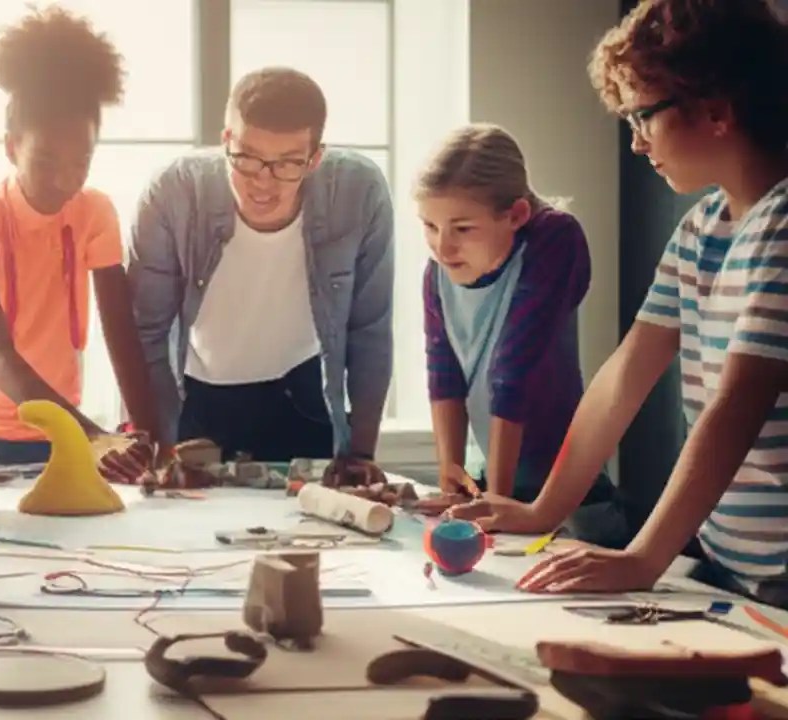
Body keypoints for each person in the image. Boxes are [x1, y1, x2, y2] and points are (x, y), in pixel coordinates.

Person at [450, 0, 788, 603]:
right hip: (733, 564)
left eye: (642, 117)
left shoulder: (782, 225)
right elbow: (624, 376)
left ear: (715, 109)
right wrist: (545, 509)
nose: (635, 143)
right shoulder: (701, 227)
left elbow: (737, 407)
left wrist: (643, 557)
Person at [128, 66, 393, 477]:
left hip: (303, 392)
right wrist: (156, 446)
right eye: (247, 158)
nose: (263, 183)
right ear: (225, 141)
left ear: (315, 158)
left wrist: (361, 454)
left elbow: (370, 329)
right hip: (197, 396)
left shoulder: (360, 191)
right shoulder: (173, 193)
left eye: (287, 164)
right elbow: (146, 333)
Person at [0, 5, 162, 469]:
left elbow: (120, 332)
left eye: (82, 162)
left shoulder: (94, 211)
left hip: (57, 426)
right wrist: (93, 436)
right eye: (45, 162)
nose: (65, 180)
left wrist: (150, 441)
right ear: (11, 147)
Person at [411, 124, 628, 548]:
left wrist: (498, 502)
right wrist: (454, 487)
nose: (442, 246)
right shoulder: (437, 272)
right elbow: (444, 376)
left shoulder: (556, 240)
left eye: (462, 228)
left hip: (568, 501)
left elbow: (514, 373)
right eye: (430, 226)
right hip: (493, 481)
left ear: (516, 215)